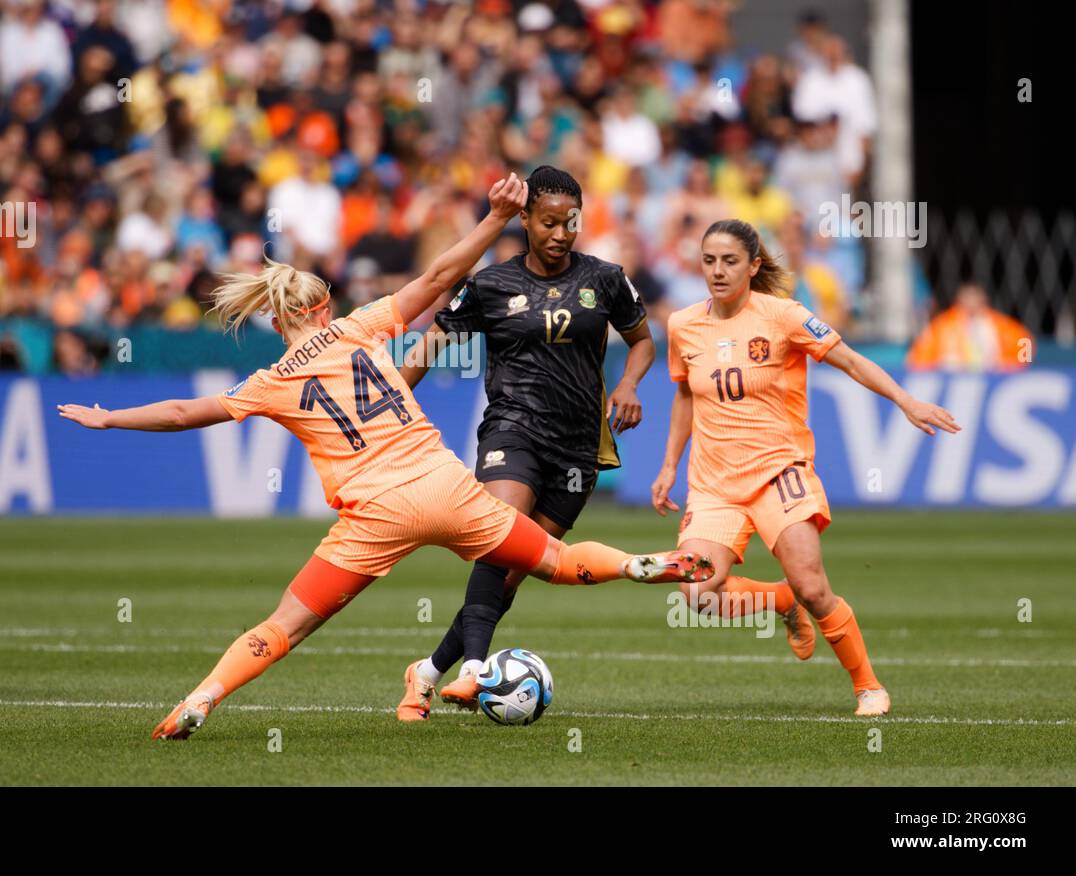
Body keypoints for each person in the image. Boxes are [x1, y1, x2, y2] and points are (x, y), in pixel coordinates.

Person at [58, 174, 712, 740]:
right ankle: (636, 563)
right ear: (323, 307)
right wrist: (493, 218)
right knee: (554, 561)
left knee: (286, 624)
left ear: (281, 320)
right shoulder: (360, 327)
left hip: (374, 516)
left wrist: (110, 417)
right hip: (442, 486)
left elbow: (180, 414)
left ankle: (202, 697)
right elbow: (437, 277)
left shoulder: (274, 379)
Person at [651, 219, 959, 716]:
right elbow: (685, 393)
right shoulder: (683, 324)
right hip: (714, 485)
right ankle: (779, 601)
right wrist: (669, 466)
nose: (717, 271)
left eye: (729, 261)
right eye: (709, 261)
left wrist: (906, 400)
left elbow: (852, 362)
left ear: (753, 266)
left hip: (778, 472)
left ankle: (867, 686)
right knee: (698, 594)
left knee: (814, 587)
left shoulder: (784, 316)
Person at [393, 166, 658, 720]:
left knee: (514, 571)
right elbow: (434, 340)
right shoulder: (491, 285)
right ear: (525, 219)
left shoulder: (607, 278)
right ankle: (475, 671)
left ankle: (427, 672)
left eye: (571, 222)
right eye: (548, 222)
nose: (561, 234)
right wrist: (391, 403)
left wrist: (630, 382)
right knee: (501, 536)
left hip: (578, 447)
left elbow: (641, 341)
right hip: (512, 431)